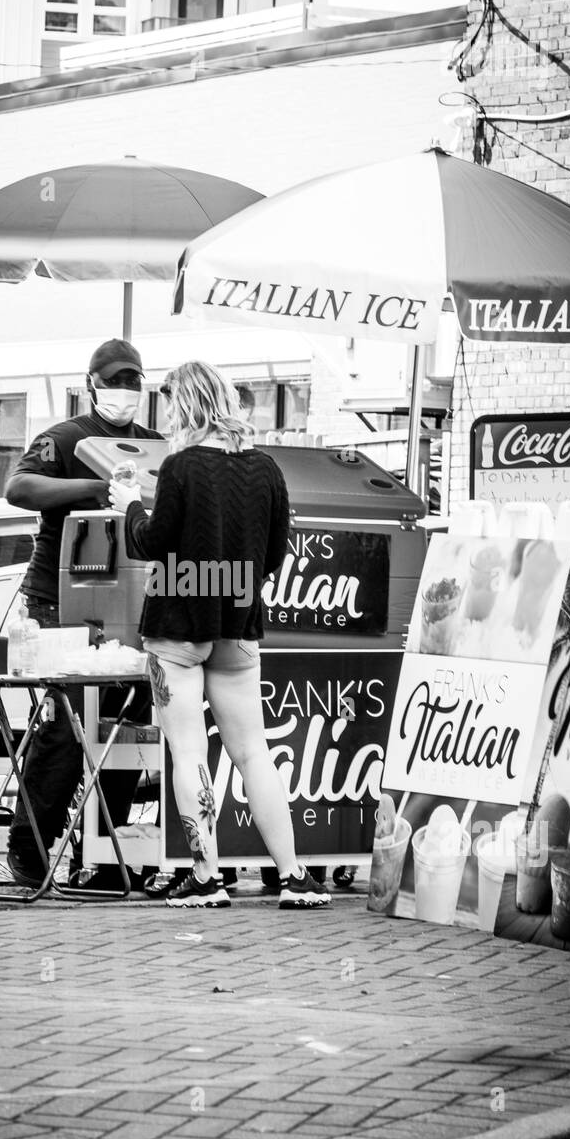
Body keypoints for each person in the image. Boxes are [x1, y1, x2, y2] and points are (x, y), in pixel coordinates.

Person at [108, 359, 330, 910]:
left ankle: (206, 877)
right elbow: (275, 553)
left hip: (178, 624)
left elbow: (153, 541)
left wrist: (128, 507)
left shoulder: (182, 467)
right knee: (254, 752)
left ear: (186, 405)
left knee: (190, 752)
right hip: (238, 622)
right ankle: (295, 875)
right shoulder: (269, 470)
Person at [3, 338, 161, 887]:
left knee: (124, 727)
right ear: (92, 383)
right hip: (60, 601)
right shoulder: (67, 437)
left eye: (134, 382)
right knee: (68, 726)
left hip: (131, 603)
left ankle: (104, 852)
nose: (125, 391)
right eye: (115, 381)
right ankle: (29, 842)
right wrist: (96, 487)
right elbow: (18, 488)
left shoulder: (154, 446)